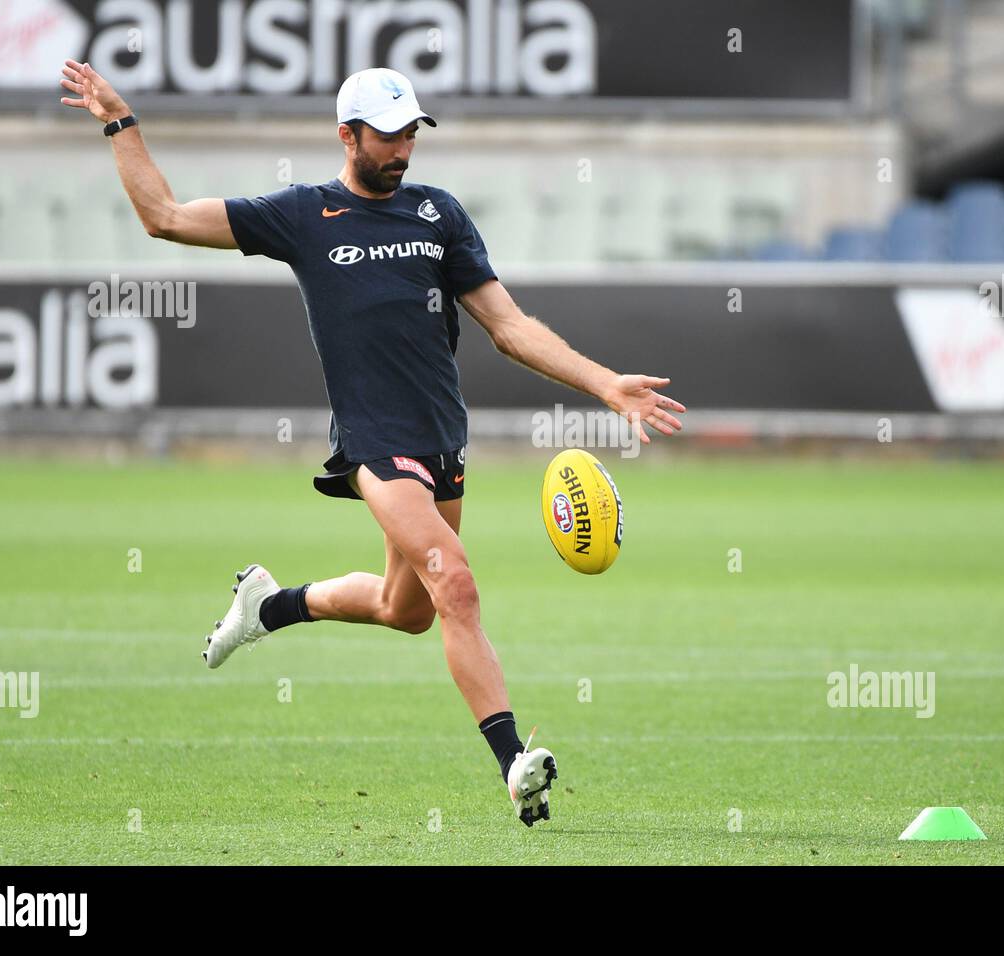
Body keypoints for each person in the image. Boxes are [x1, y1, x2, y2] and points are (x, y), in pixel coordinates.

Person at [59, 60, 686, 826]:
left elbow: (511, 328)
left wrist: (605, 384)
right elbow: (163, 214)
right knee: (455, 582)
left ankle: (271, 606)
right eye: (386, 136)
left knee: (408, 608)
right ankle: (514, 767)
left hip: (441, 438)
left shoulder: (438, 215)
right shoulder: (302, 214)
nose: (402, 150)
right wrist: (120, 121)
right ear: (346, 135)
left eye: (410, 133)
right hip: (374, 446)